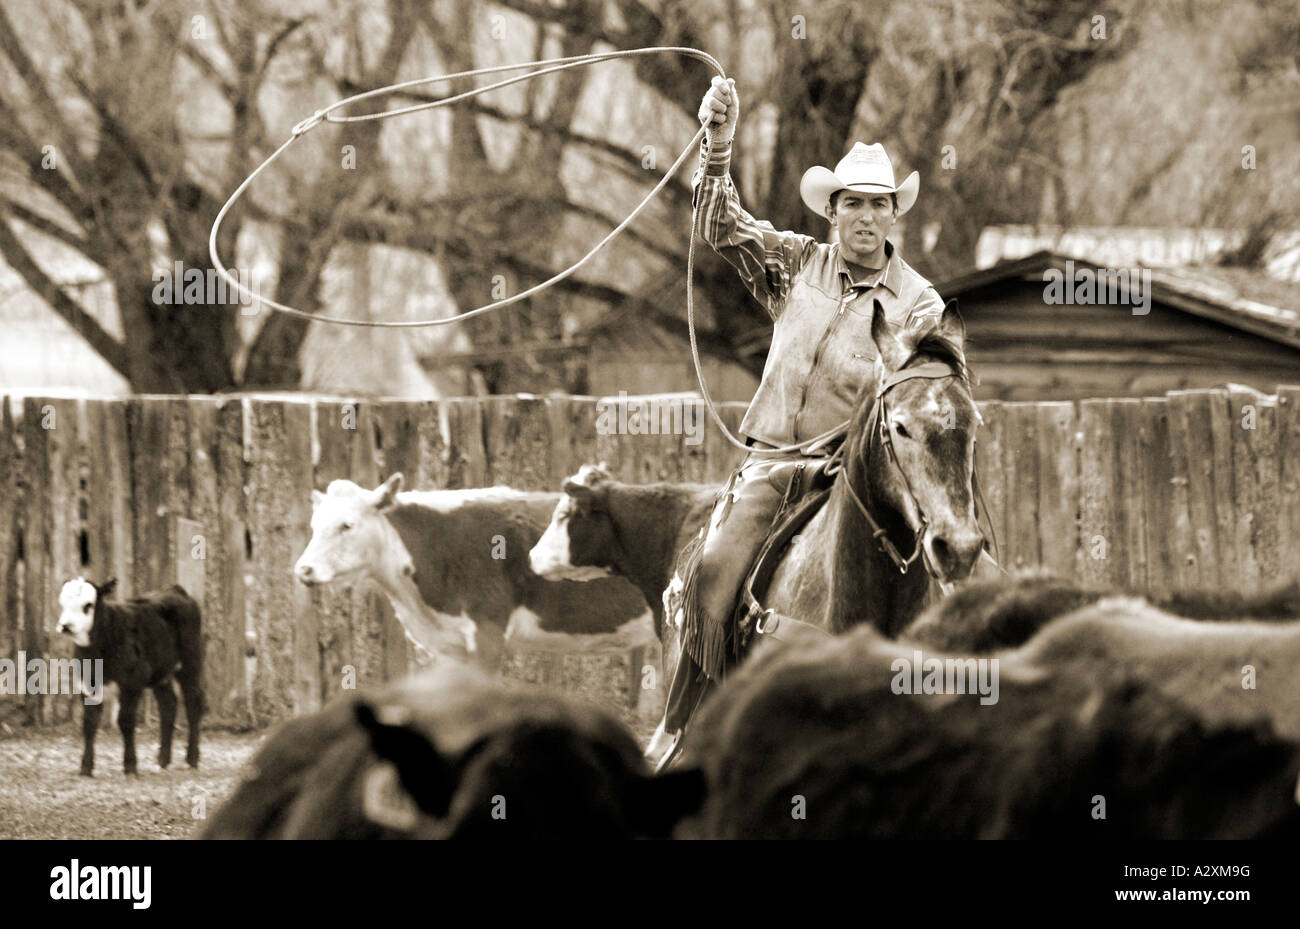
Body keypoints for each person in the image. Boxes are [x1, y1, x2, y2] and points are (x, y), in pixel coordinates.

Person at [655, 75, 963, 758]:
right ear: (833, 211)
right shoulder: (797, 264)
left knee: (961, 583)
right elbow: (719, 227)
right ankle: (686, 728)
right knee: (712, 572)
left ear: (894, 217)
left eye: (879, 206)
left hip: (858, 472)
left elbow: (933, 393)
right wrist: (717, 146)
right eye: (852, 203)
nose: (865, 217)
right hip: (772, 462)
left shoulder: (919, 304)